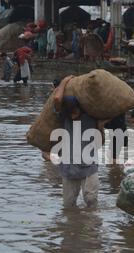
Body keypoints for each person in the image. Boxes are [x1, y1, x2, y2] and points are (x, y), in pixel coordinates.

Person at [53, 76, 105, 209]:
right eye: (70, 113)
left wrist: (100, 128)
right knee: (68, 204)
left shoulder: (91, 117)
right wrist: (64, 81)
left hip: (89, 166)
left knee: (91, 200)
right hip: (69, 166)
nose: (73, 116)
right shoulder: (64, 117)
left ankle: (92, 226)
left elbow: (101, 142)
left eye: (75, 112)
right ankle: (73, 226)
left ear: (80, 109)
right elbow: (57, 98)